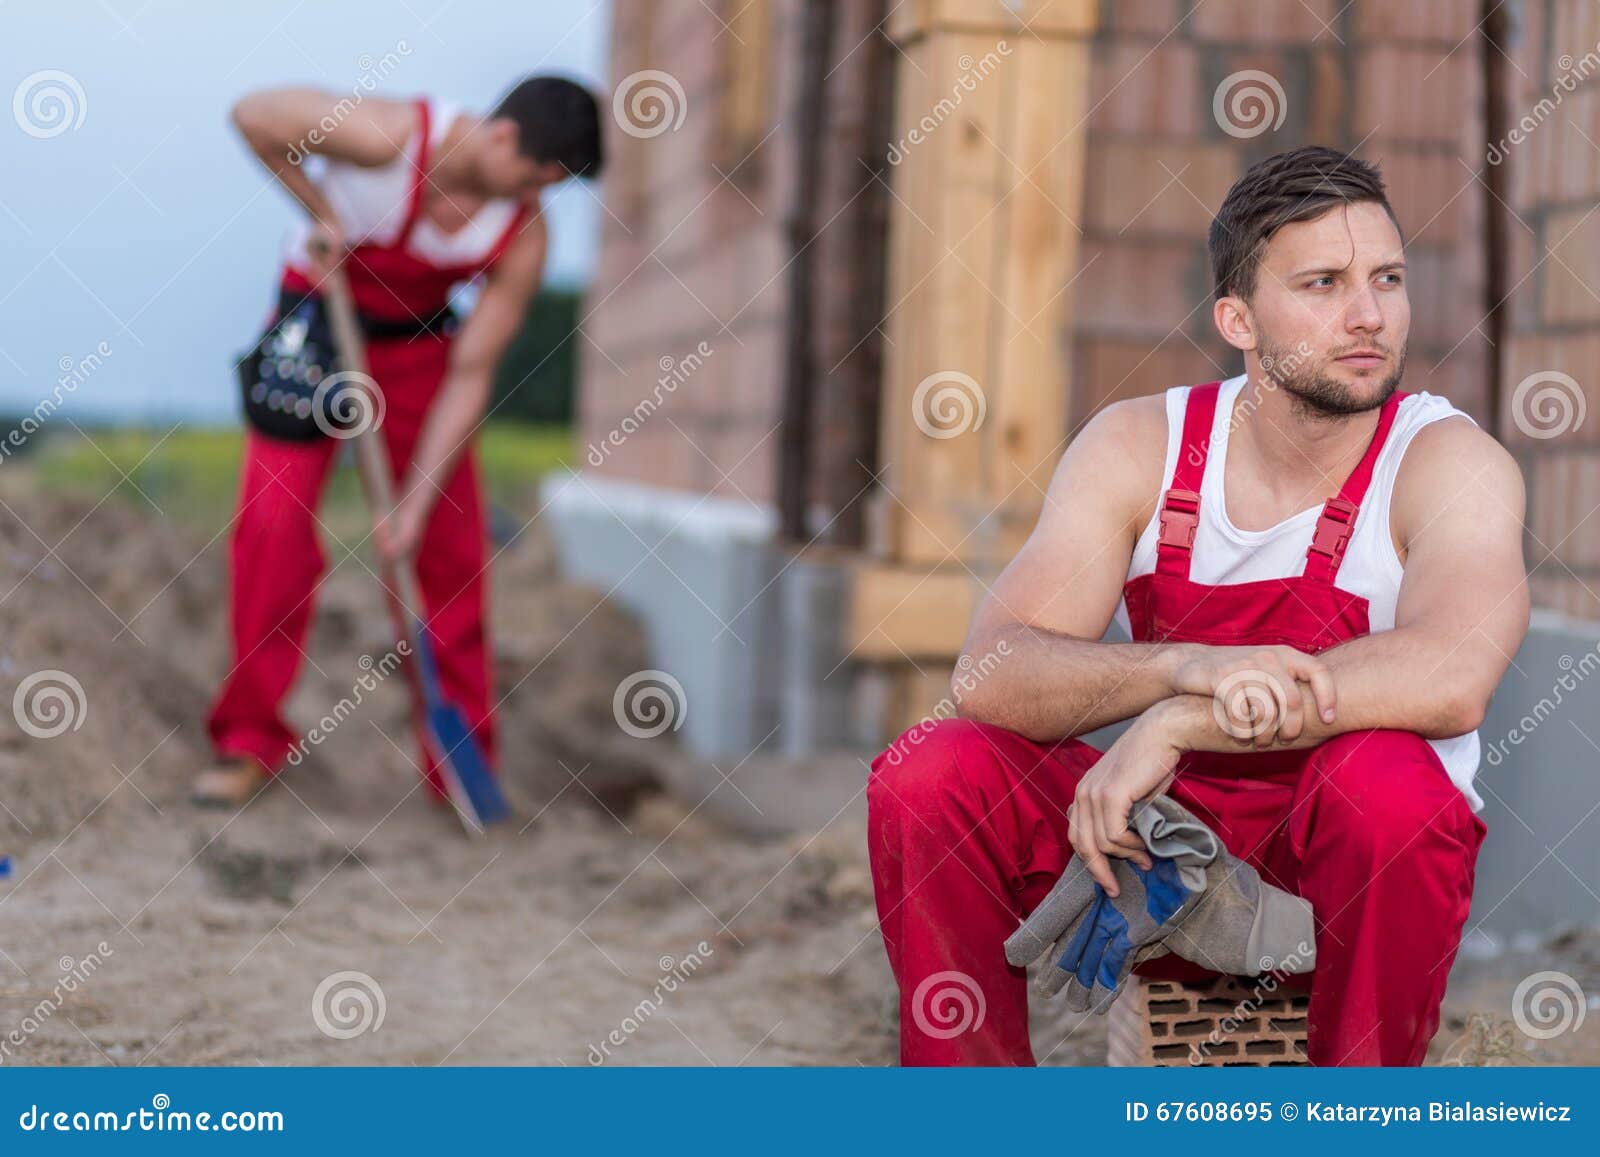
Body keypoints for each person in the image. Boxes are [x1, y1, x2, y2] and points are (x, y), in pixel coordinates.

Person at [867, 145, 1530, 1066]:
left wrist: (1183, 719)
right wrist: (1185, 665)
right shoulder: (1142, 445)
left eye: (1387, 278)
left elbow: (1452, 675)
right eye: (1324, 283)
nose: (1370, 315)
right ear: (1237, 318)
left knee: (1387, 785)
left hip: (1336, 892)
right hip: (1156, 866)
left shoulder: (1448, 461)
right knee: (932, 772)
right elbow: (992, 670)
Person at [196, 76, 603, 806]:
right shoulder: (384, 136)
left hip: (418, 352)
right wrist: (320, 212)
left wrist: (413, 506)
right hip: (318, 324)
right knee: (273, 527)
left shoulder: (523, 235)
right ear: (504, 135)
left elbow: (470, 375)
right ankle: (248, 737)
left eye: (549, 186)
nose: (534, 197)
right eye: (531, 178)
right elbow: (251, 115)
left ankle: (459, 765)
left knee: (447, 550)